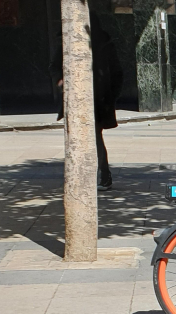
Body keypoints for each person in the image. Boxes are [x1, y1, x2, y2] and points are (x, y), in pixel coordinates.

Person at [52, 12, 124, 191]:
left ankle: (103, 174)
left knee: (94, 136)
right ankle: (85, 174)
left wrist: (110, 96)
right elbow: (55, 66)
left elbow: (117, 73)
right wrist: (62, 82)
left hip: (98, 99)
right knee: (78, 137)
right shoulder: (68, 42)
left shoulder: (104, 46)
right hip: (76, 97)